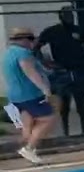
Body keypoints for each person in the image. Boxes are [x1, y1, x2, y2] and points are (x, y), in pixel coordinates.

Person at [35, 6, 84, 136]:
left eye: (71, 15)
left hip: (78, 69)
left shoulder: (78, 30)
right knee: (64, 103)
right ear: (61, 17)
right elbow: (36, 46)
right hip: (61, 70)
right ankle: (66, 131)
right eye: (66, 15)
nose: (70, 17)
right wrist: (45, 62)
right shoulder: (53, 31)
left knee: (80, 101)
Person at [3, 28, 58, 164]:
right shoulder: (23, 53)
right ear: (23, 40)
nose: (32, 43)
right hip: (30, 94)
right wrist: (45, 89)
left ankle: (30, 151)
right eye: (30, 40)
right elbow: (30, 72)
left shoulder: (7, 54)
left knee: (28, 124)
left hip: (14, 95)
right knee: (48, 118)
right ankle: (29, 148)